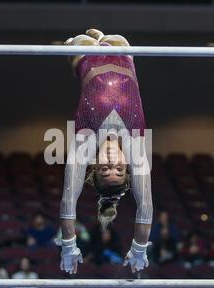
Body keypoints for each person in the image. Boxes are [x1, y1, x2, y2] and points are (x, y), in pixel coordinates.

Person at [56, 29, 153, 275]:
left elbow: (69, 200)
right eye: (119, 169)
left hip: (86, 58)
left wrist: (68, 245)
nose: (112, 162)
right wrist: (140, 247)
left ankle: (80, 43)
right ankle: (100, 38)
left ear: (94, 166)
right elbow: (146, 205)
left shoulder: (85, 143)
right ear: (128, 167)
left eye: (105, 168)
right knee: (116, 39)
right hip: (123, 54)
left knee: (76, 43)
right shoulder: (135, 145)